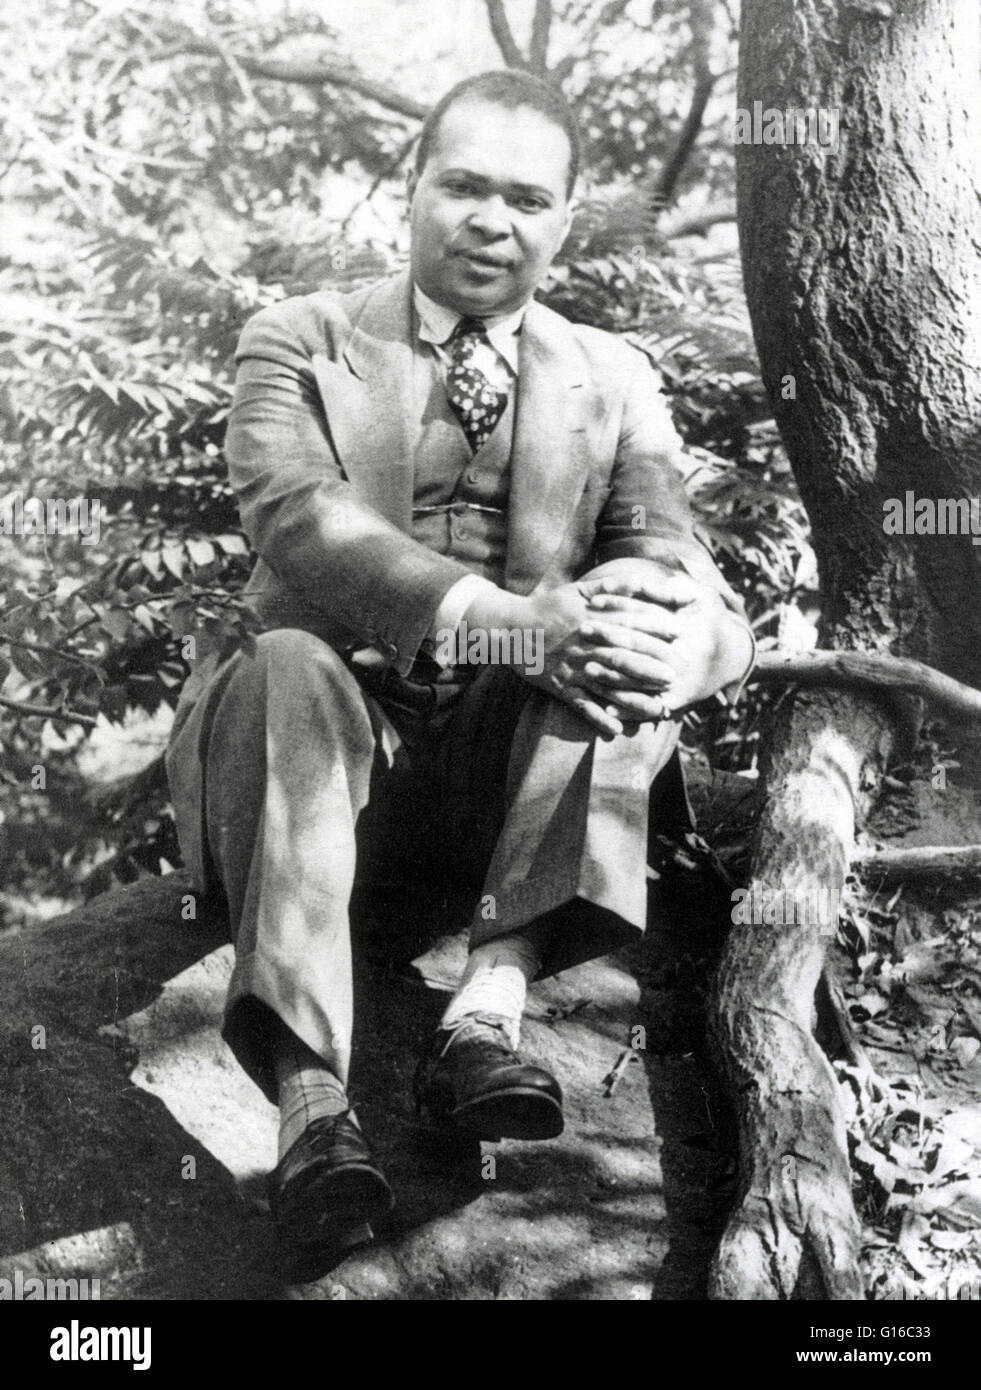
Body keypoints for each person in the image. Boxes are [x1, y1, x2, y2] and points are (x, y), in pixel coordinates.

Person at [165, 68, 755, 1272]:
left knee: (624, 635)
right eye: (466, 185)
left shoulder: (613, 373)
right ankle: (311, 1108)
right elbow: (297, 520)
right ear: (416, 191)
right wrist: (512, 622)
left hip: (497, 793)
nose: (493, 220)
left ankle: (487, 1010)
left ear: (564, 218)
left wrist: (682, 640)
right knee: (286, 659)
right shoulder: (299, 339)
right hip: (317, 750)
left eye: (526, 198)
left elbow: (671, 554)